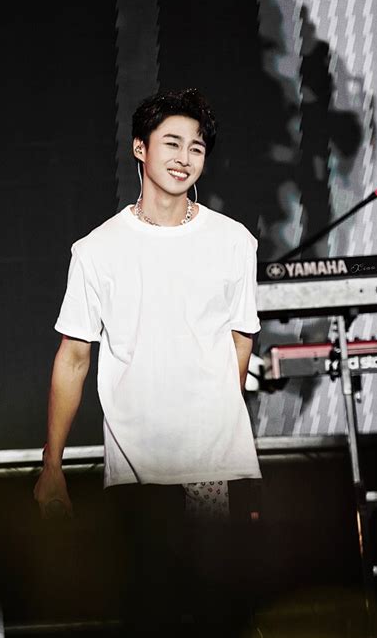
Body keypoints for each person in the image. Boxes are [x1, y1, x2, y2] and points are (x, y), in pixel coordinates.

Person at [34, 88, 262, 636]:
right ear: (140, 148)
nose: (185, 158)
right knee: (148, 611)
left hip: (214, 466)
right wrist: (51, 464)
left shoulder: (233, 241)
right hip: (138, 465)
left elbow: (242, 339)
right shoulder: (97, 250)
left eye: (196, 148)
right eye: (172, 143)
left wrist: (212, 417)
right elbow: (74, 358)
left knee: (220, 615)